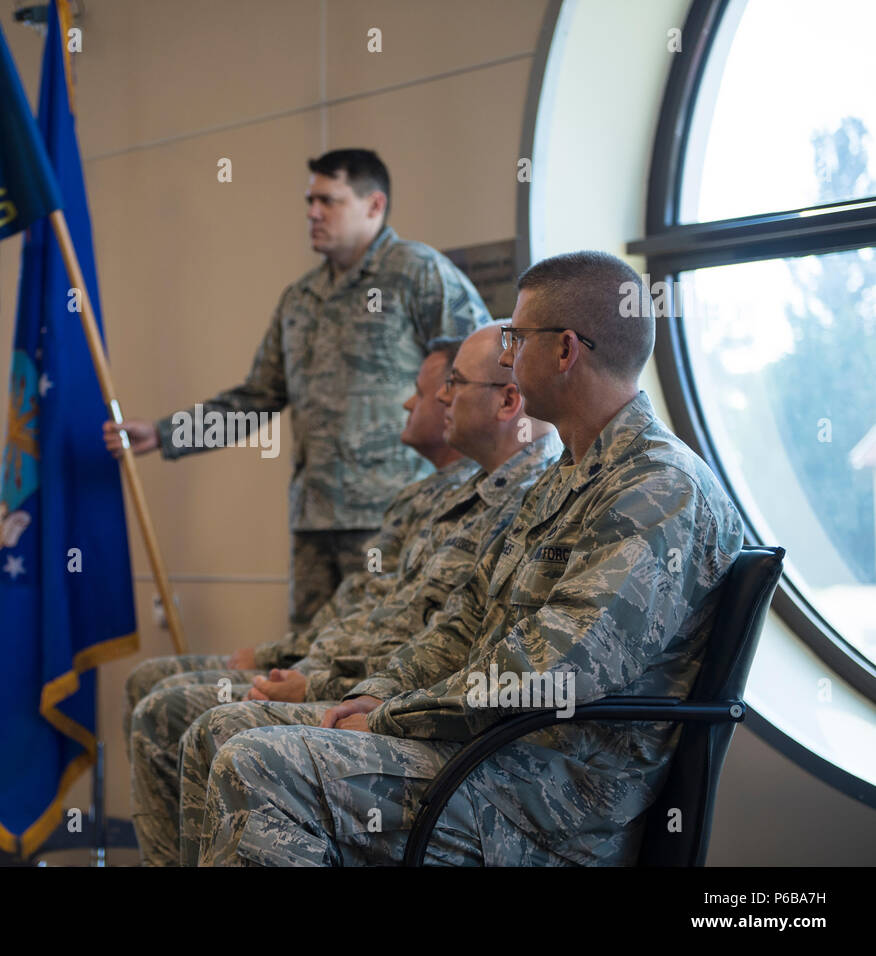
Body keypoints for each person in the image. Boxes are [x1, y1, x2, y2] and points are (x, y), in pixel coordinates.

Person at [182, 250, 745, 867]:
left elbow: (553, 670)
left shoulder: (660, 488)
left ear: (565, 352)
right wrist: (378, 695)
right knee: (222, 729)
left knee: (260, 763)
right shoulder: (566, 476)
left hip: (553, 800)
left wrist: (396, 718)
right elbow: (465, 618)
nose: (507, 357)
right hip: (488, 757)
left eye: (516, 338)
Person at [130, 325, 560, 866]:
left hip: (505, 770)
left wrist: (359, 699)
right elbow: (409, 620)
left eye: (451, 382)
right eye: (440, 384)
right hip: (405, 703)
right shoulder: (474, 494)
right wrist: (324, 676)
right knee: (186, 711)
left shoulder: (542, 497)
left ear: (508, 400)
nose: (426, 399)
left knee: (225, 732)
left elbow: (512, 670)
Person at [104, 149, 490, 628]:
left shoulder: (420, 274)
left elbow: (483, 371)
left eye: (328, 200)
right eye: (309, 200)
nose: (311, 212)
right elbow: (257, 397)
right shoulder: (299, 299)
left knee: (380, 661)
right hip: (314, 523)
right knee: (303, 669)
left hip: (396, 518)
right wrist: (165, 434)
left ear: (374, 205)